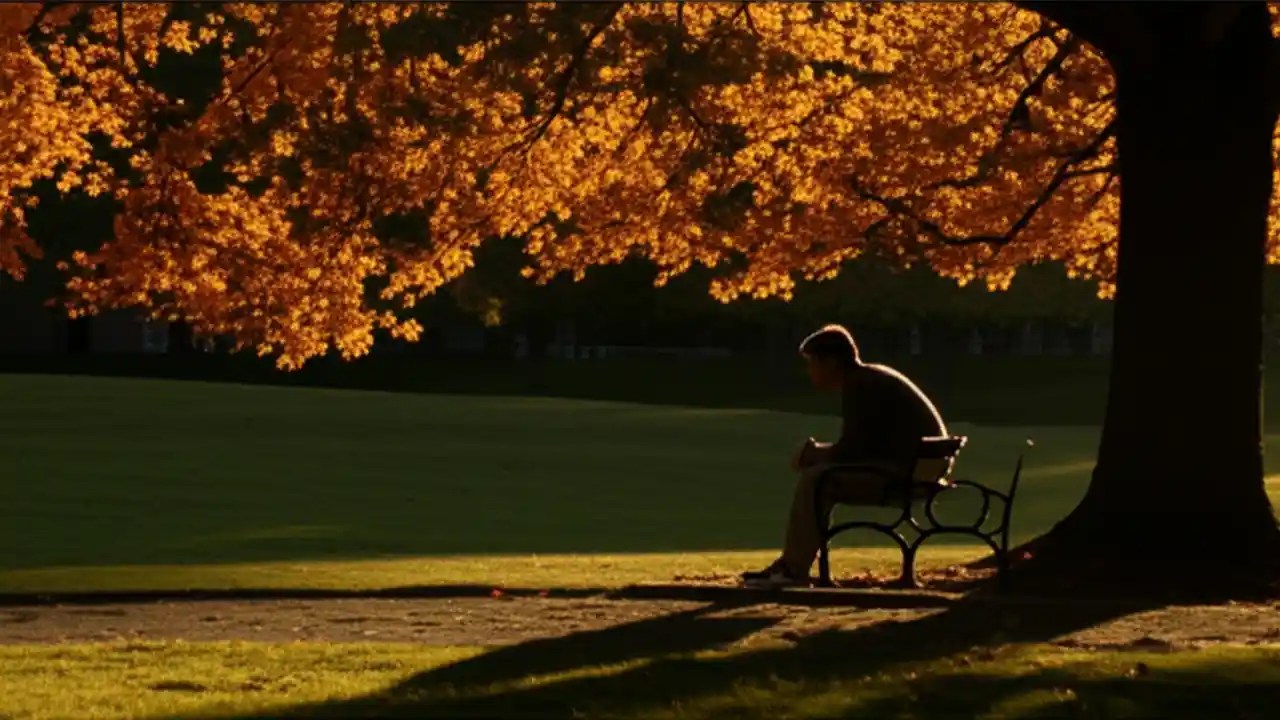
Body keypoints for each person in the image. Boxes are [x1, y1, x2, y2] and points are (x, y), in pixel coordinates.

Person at [742, 324, 948, 588]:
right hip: (915, 468)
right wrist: (822, 454)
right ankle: (793, 565)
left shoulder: (862, 385)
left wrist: (816, 454)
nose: (810, 372)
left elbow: (854, 448)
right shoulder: (870, 378)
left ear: (831, 362)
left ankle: (793, 568)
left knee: (815, 480)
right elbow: (863, 445)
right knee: (819, 479)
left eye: (813, 363)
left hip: (904, 475)